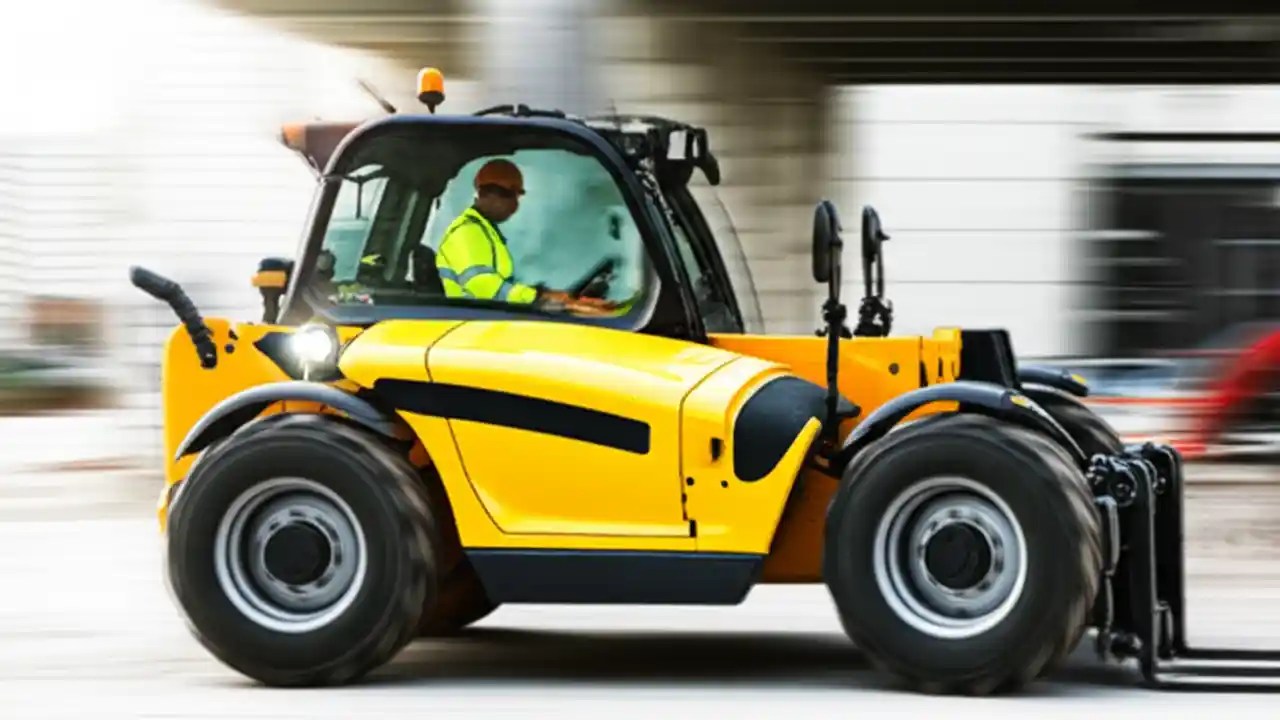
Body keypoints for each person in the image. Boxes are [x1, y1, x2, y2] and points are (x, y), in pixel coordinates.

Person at [435, 158, 612, 313]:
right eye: (515, 198)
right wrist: (538, 298)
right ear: (495, 195)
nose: (515, 207)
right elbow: (483, 288)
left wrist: (546, 294)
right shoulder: (467, 232)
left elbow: (503, 291)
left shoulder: (484, 230)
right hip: (471, 327)